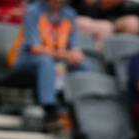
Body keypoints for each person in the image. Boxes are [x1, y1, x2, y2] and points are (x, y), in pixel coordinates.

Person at [11, 0, 93, 130]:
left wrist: (77, 55)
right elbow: (35, 48)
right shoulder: (33, 11)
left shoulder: (70, 13)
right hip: (29, 59)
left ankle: (84, 109)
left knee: (84, 65)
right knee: (46, 61)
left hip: (58, 59)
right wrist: (65, 55)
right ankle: (50, 110)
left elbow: (74, 45)